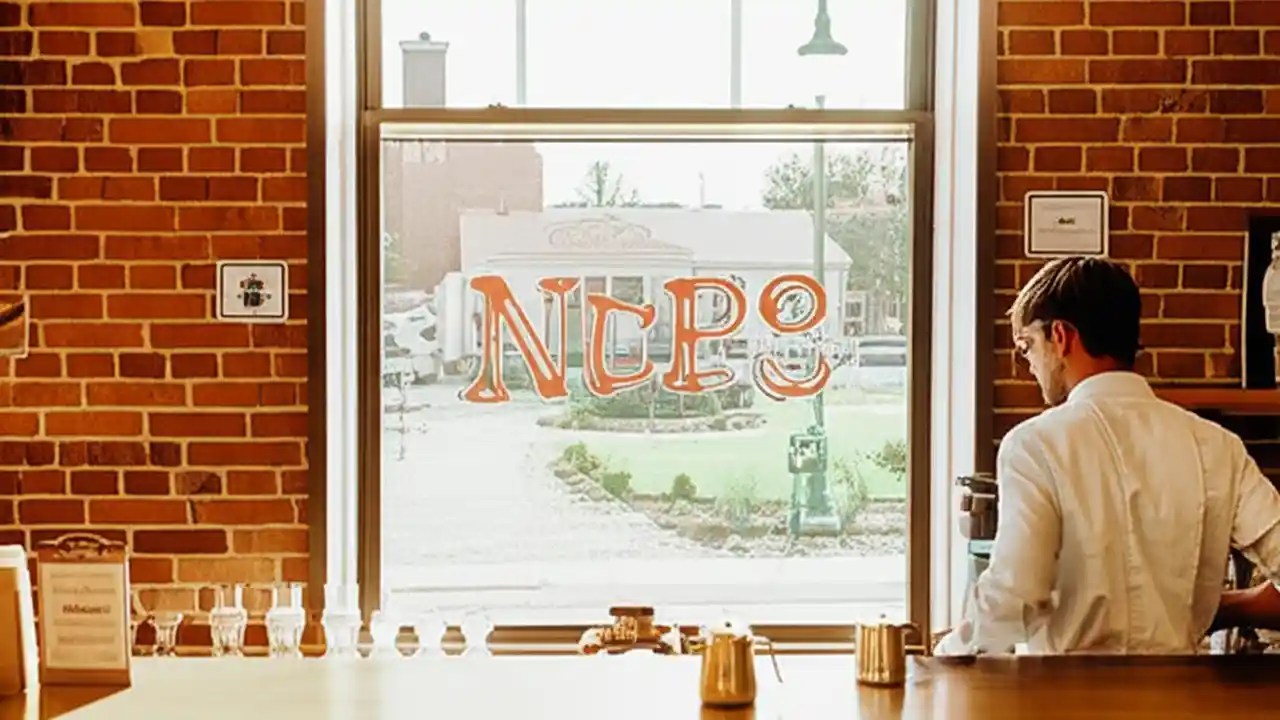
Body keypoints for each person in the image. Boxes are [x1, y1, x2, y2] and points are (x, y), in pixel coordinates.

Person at [934, 257, 1280, 655]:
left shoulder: (1034, 445)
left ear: (1061, 336)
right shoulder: (1217, 446)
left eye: (1026, 345)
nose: (1027, 364)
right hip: (1182, 702)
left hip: (1067, 701)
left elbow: (1014, 595)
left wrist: (945, 656)